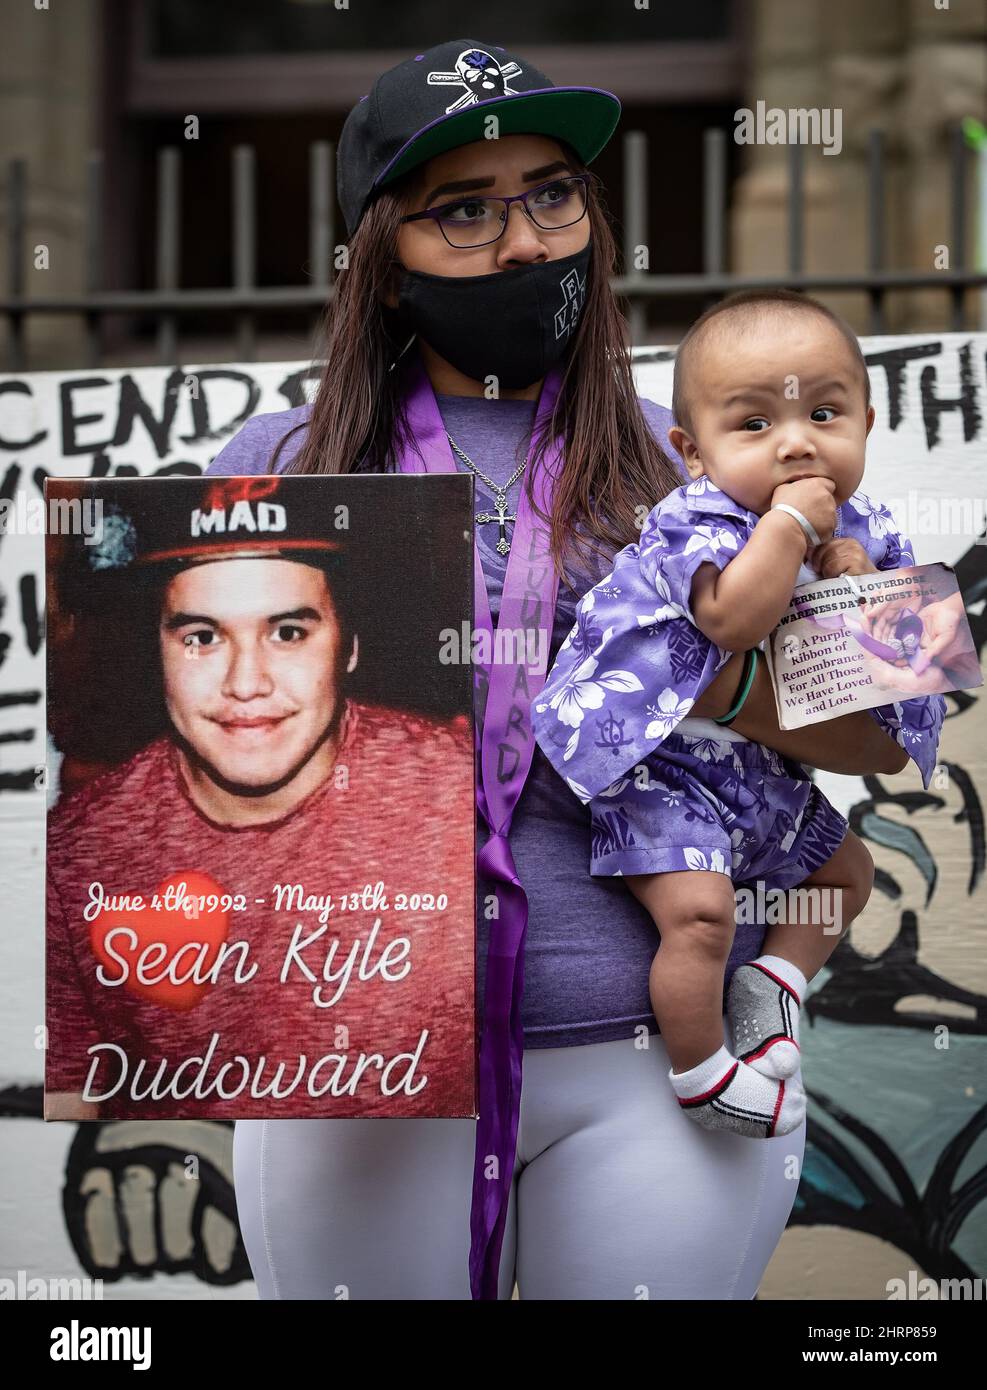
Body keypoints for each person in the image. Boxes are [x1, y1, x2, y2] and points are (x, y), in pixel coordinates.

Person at [204, 38, 937, 1301]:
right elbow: (188, 758)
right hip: (363, 1054)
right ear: (382, 260)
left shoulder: (714, 449)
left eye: (554, 194)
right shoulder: (276, 458)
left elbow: (893, 727)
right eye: (466, 210)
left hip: (661, 1062)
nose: (526, 241)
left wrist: (699, 681)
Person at [532, 289, 946, 1141]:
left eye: (823, 413)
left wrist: (856, 576)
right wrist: (792, 527)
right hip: (662, 769)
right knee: (700, 914)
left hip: (761, 777)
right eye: (753, 425)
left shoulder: (874, 527)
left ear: (866, 423)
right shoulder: (695, 519)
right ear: (691, 451)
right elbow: (730, 622)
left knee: (846, 877)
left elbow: (892, 693)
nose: (796, 441)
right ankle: (703, 1073)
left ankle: (776, 985)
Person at [45, 475, 474, 1123]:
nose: (246, 682)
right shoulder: (75, 853)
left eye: (288, 633)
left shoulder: (466, 791)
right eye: (202, 638)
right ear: (157, 656)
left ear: (348, 647)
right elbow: (68, 1108)